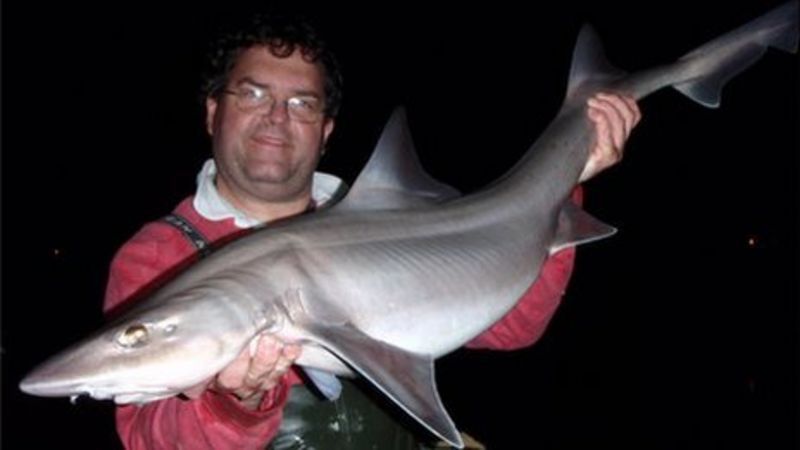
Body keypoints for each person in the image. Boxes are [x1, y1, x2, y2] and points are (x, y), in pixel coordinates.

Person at [103, 13, 641, 450]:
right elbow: (149, 440)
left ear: (326, 130)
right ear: (212, 112)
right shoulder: (161, 254)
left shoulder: (391, 223)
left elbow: (511, 329)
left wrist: (567, 180)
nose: (276, 117)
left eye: (301, 103)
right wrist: (235, 403)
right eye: (253, 94)